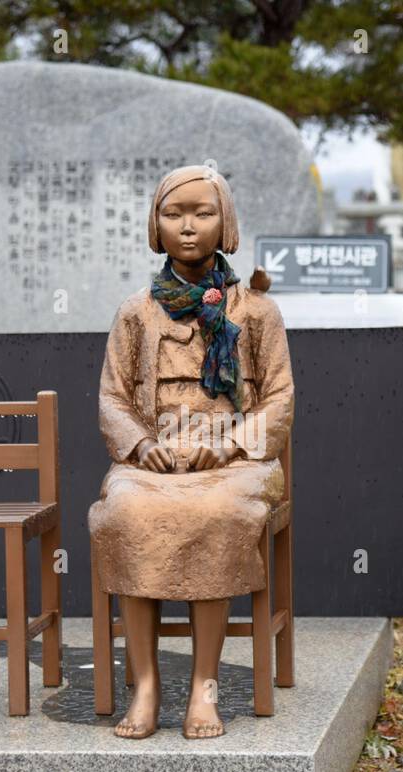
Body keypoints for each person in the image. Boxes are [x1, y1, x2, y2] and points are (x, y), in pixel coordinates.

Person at [88, 164, 295, 740]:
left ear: (224, 222)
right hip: (153, 463)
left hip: (236, 463)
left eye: (201, 213)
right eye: (173, 214)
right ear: (155, 225)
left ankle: (204, 685)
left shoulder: (255, 311)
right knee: (128, 513)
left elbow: (279, 398)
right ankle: (147, 683)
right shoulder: (135, 312)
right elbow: (112, 396)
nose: (186, 227)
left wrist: (229, 445)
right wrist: (139, 443)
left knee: (215, 515)